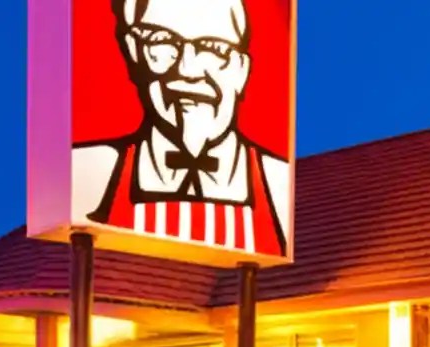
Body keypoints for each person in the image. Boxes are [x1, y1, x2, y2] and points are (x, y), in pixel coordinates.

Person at [72, 0, 291, 257]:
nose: (188, 70)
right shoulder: (90, 176)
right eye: (163, 42)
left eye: (213, 48)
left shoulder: (277, 186)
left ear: (241, 69)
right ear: (135, 52)